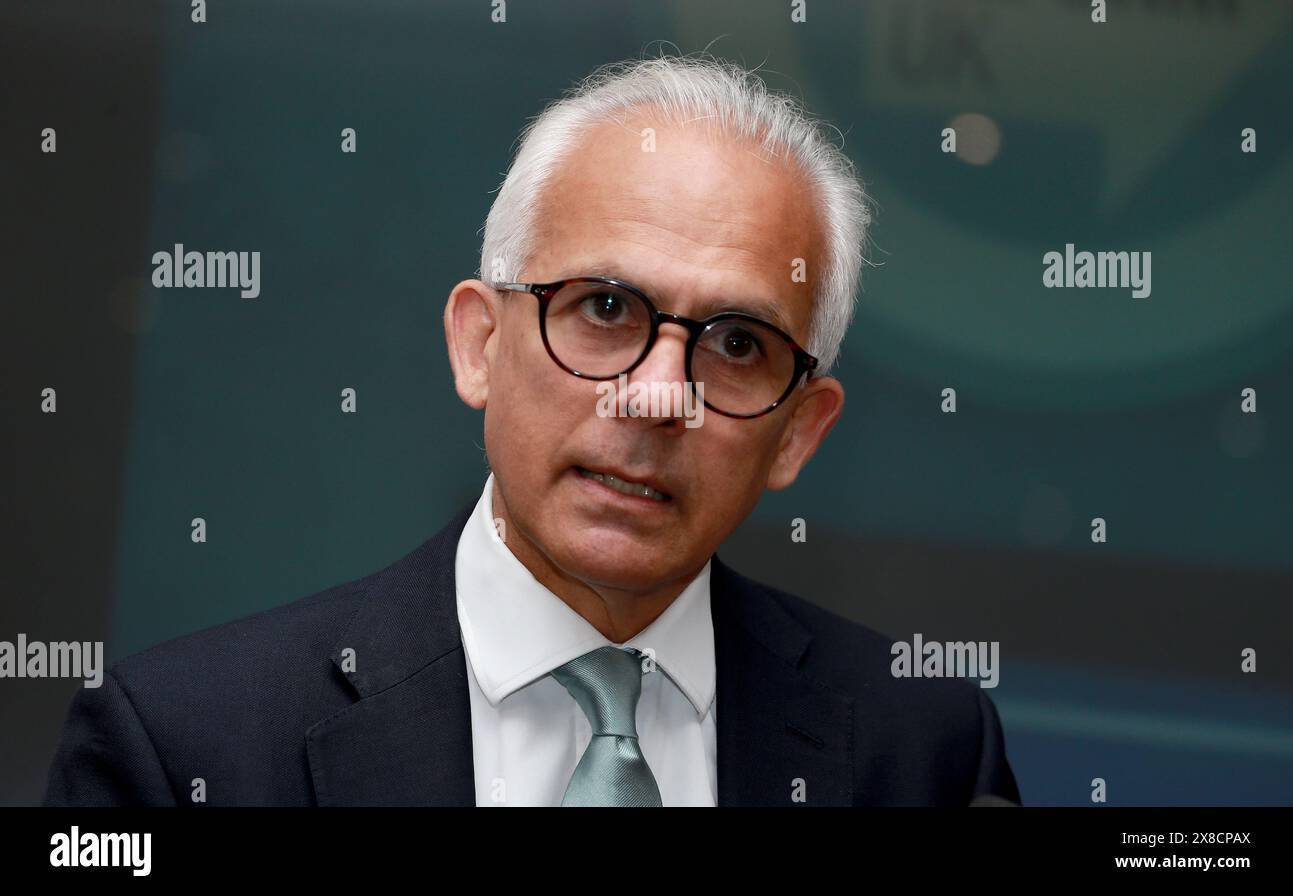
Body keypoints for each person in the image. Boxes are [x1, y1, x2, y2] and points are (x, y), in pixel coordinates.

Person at [44, 54, 1020, 807]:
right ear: (479, 344)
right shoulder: (187, 746)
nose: (656, 396)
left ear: (798, 431)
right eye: (602, 308)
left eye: (735, 341)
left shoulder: (922, 747)